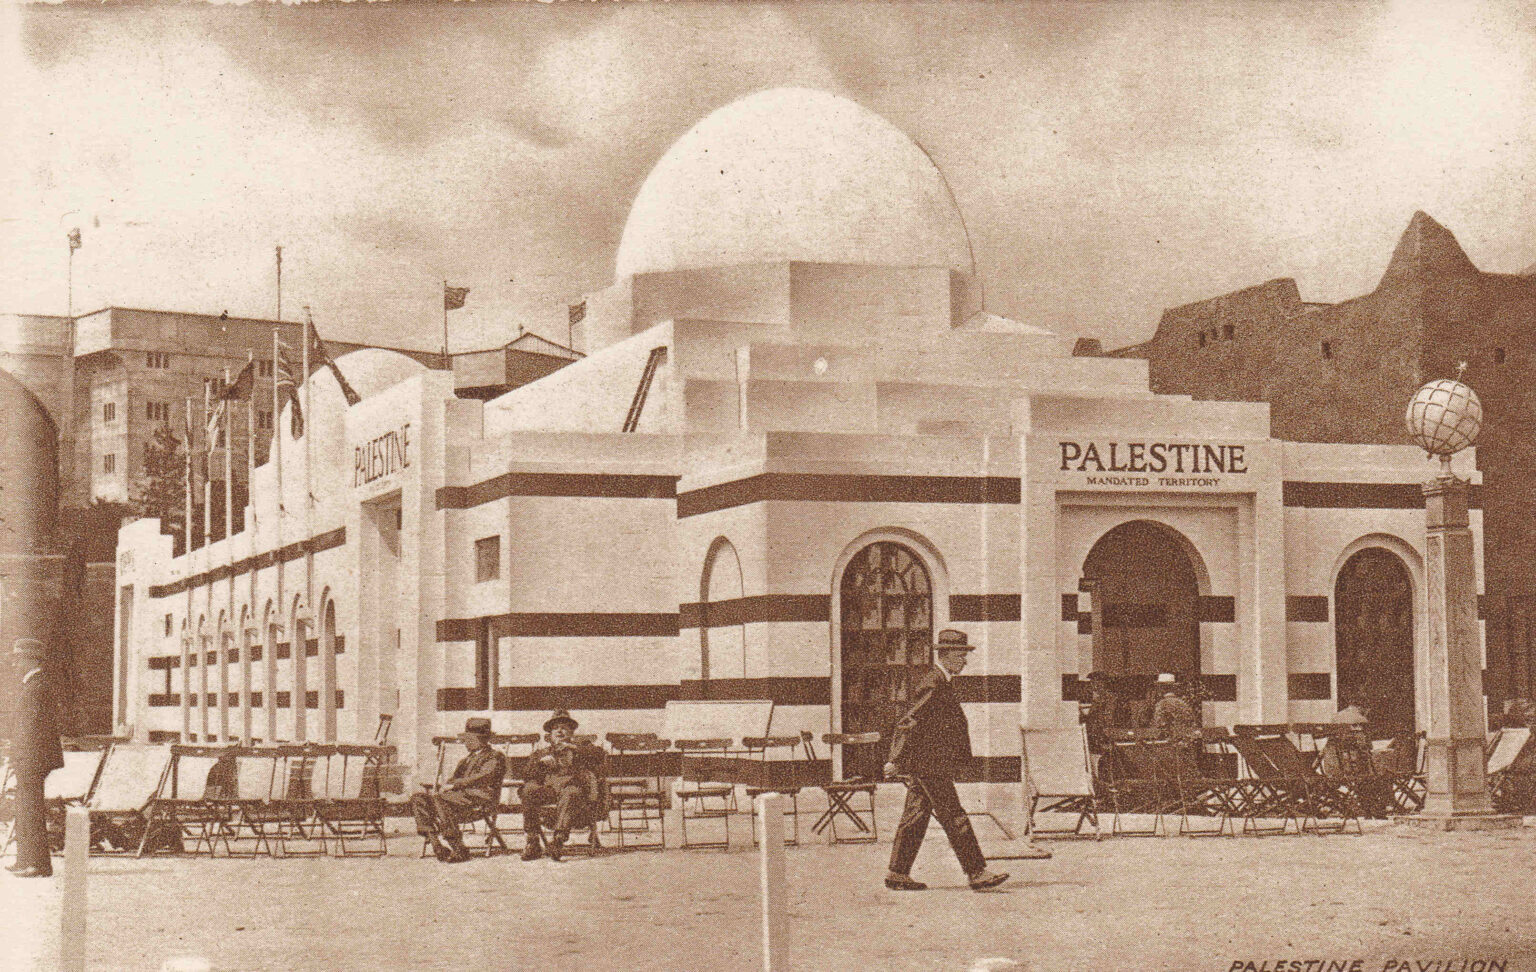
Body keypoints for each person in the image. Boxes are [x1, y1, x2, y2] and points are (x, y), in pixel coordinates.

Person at [881, 629, 1010, 892]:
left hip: (930, 763)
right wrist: (895, 758)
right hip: (931, 764)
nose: (965, 661)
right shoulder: (934, 682)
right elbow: (909, 721)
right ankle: (977, 872)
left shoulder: (941, 680)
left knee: (915, 816)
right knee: (954, 816)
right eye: (961, 656)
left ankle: (897, 873)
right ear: (946, 655)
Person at [410, 717, 507, 863]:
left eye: (469, 739)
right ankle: (436, 845)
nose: (465, 742)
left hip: (481, 799)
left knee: (440, 799)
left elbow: (484, 776)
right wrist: (450, 785)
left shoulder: (494, 756)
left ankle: (458, 847)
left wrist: (455, 785)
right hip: (459, 800)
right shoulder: (465, 760)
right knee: (419, 798)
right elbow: (452, 780)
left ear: (481, 739)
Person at [7, 638, 62, 878]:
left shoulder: (37, 687)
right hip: (29, 758)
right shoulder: (34, 685)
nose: (15, 664)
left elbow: (30, 730)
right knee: (25, 809)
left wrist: (18, 758)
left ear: (30, 659)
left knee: (31, 810)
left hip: (32, 759)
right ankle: (26, 860)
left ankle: (37, 864)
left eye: (18, 659)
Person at [520, 709, 605, 861]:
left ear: (571, 732)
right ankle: (533, 842)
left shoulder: (582, 748)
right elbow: (526, 774)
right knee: (529, 789)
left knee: (571, 792)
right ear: (550, 734)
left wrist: (575, 749)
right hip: (551, 791)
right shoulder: (543, 752)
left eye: (564, 727)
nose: (559, 730)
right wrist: (540, 764)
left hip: (575, 793)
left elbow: (600, 756)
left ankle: (558, 840)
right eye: (555, 728)